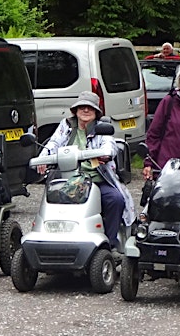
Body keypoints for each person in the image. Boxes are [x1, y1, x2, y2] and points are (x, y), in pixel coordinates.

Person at [39, 91, 135, 249]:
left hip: (96, 181)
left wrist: (105, 154)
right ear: (75, 110)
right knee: (51, 202)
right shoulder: (66, 125)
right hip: (68, 180)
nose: (85, 110)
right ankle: (53, 242)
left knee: (115, 199)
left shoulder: (102, 128)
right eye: (81, 107)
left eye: (89, 108)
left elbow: (109, 146)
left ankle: (110, 244)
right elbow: (53, 144)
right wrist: (42, 159)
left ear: (96, 112)